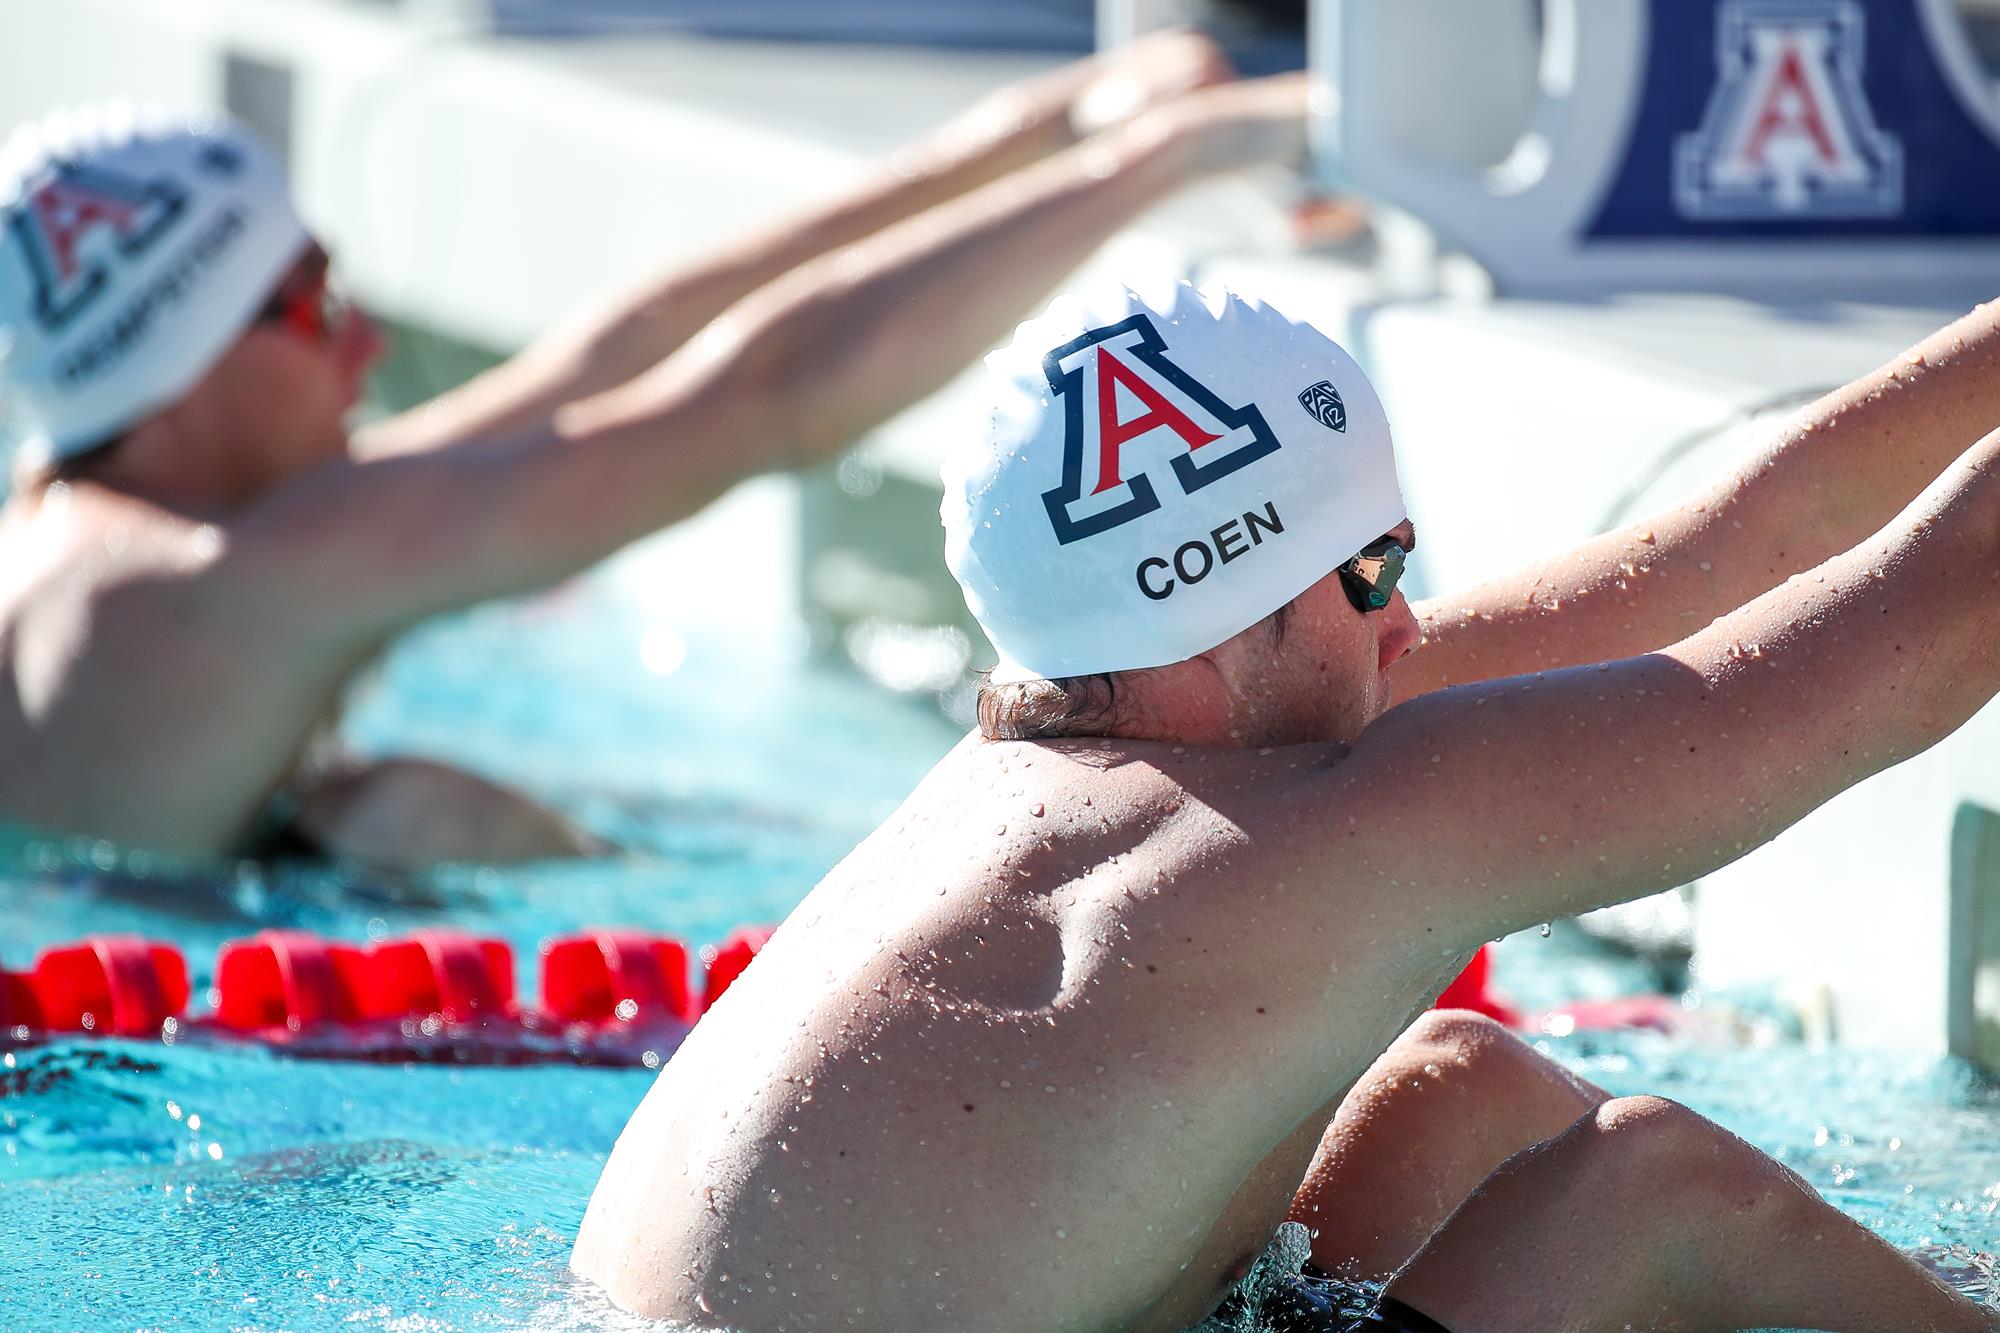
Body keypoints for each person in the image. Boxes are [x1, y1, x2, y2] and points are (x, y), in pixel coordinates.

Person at [570, 279, 2000, 1332]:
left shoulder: (1050, 771)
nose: (1405, 622)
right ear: (1222, 617)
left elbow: (1722, 553)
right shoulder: (1272, 854)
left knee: (1458, 1081)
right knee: (1667, 1194)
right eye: (1372, 568)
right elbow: (1903, 641)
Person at [0, 33, 1302, 868]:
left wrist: (1057, 122)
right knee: (419, 818)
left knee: (377, 808)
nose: (366, 344)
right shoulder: (212, 586)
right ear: (174, 362)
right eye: (313, 297)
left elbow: (621, 349)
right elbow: (765, 405)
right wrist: (1179, 157)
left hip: (132, 947)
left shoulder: (99, 543)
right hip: (119, 1058)